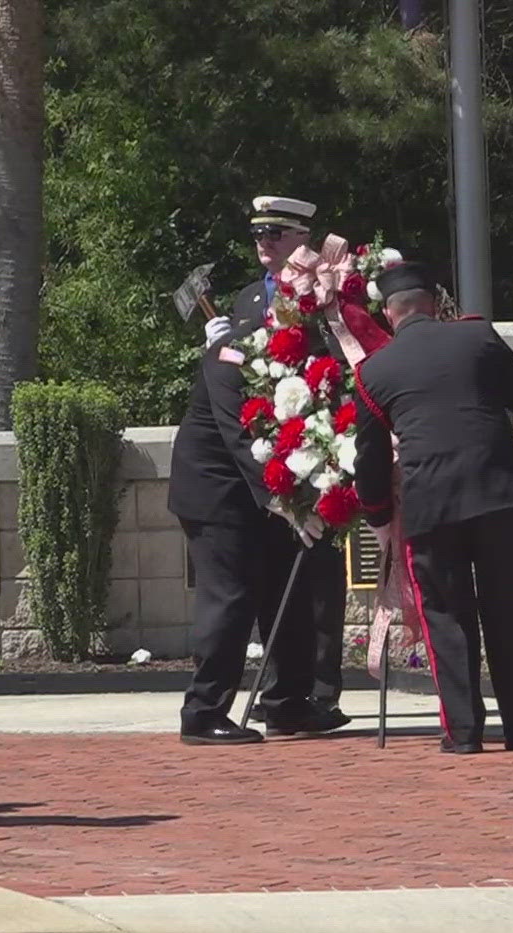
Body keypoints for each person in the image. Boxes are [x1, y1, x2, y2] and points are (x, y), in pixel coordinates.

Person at [170, 197, 346, 745]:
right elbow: (241, 437)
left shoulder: (313, 311)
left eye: (277, 233)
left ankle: (288, 704)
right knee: (231, 594)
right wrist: (289, 505)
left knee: (285, 594)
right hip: (221, 490)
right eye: (259, 234)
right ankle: (203, 713)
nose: (264, 243)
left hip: (269, 480)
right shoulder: (230, 354)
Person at [352, 261, 513, 754]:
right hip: (500, 495)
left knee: (446, 616)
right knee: (508, 612)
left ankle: (463, 732)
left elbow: (370, 461)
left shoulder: (374, 372)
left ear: (389, 315)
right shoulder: (477, 336)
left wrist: (377, 514)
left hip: (430, 506)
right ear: (434, 305)